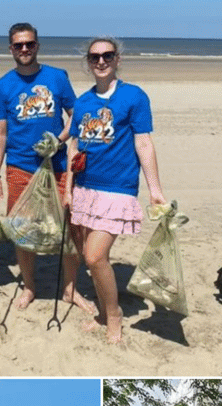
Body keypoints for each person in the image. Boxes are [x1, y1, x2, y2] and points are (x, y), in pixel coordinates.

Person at [66, 37, 166, 344]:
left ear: (117, 59)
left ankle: (113, 315)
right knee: (93, 259)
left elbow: (143, 142)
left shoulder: (133, 96)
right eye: (94, 56)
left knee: (94, 256)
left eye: (107, 55)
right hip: (85, 189)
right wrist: (68, 189)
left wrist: (155, 189)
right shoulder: (82, 102)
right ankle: (102, 312)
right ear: (88, 62)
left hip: (117, 189)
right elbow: (74, 146)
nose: (101, 61)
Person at [0, 23, 77, 311]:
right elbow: (0, 132)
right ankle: (29, 287)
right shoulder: (3, 85)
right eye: (18, 45)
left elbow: (75, 116)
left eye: (29, 44)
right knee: (23, 230)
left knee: (68, 228)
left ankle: (70, 289)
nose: (24, 49)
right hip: (20, 167)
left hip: (58, 166)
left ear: (37, 45)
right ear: (11, 49)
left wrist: (59, 140)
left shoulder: (57, 77)